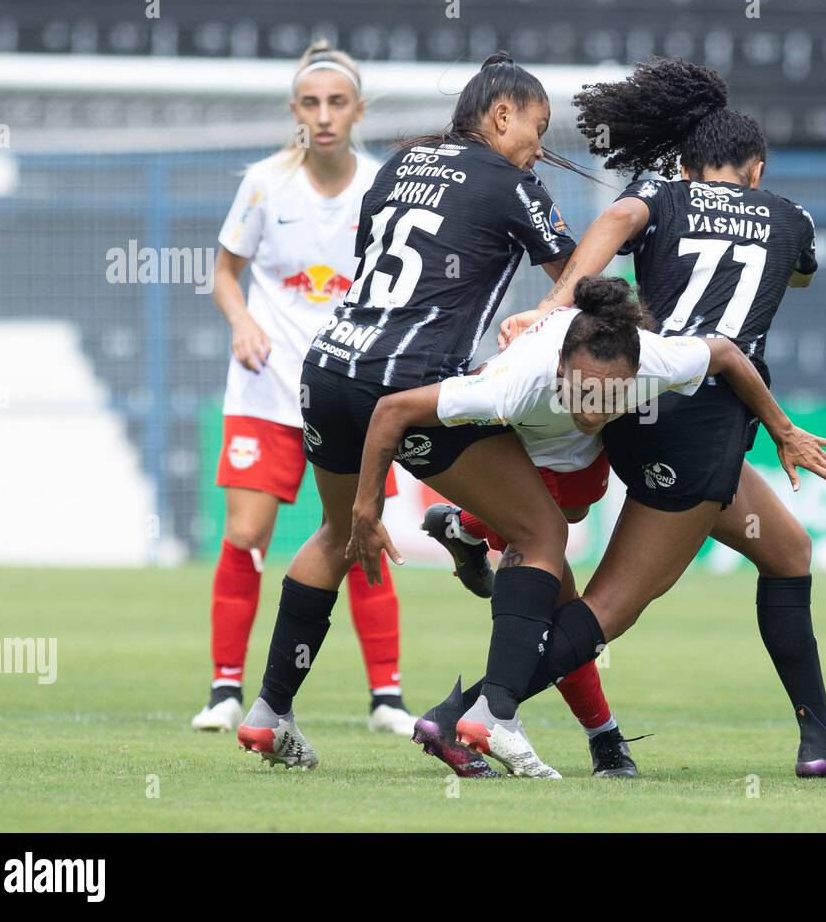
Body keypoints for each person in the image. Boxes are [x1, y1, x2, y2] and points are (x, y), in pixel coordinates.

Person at [483, 57, 826, 779]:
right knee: (611, 608)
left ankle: (821, 740)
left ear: (687, 160)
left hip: (637, 397)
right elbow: (795, 275)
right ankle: (473, 716)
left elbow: (614, 219)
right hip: (701, 419)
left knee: (787, 551)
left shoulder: (659, 193)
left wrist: (556, 306)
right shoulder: (790, 217)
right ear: (757, 169)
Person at [235, 52, 596, 777]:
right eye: (537, 126)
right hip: (408, 385)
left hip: (330, 367)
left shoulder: (396, 169)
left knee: (340, 532)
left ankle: (268, 711)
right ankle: (494, 716)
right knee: (540, 528)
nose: (538, 143)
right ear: (502, 115)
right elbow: (581, 280)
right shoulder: (511, 183)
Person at [348, 275, 826, 779]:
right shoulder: (511, 384)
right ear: (560, 365)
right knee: (560, 594)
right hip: (514, 451)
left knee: (575, 519)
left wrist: (782, 429)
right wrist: (365, 509)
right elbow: (392, 410)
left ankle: (466, 530)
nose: (593, 409)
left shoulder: (657, 358)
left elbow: (730, 355)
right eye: (581, 390)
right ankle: (588, 737)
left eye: (612, 396)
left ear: (635, 376)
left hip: (578, 470)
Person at [192, 40, 412, 738]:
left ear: (358, 110)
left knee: (361, 532)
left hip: (349, 395)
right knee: (248, 534)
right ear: (295, 110)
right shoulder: (262, 183)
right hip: (265, 388)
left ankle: (388, 700)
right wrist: (240, 323)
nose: (324, 116)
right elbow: (225, 272)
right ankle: (226, 689)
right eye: (311, 103)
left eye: (337, 103)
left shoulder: (383, 188)